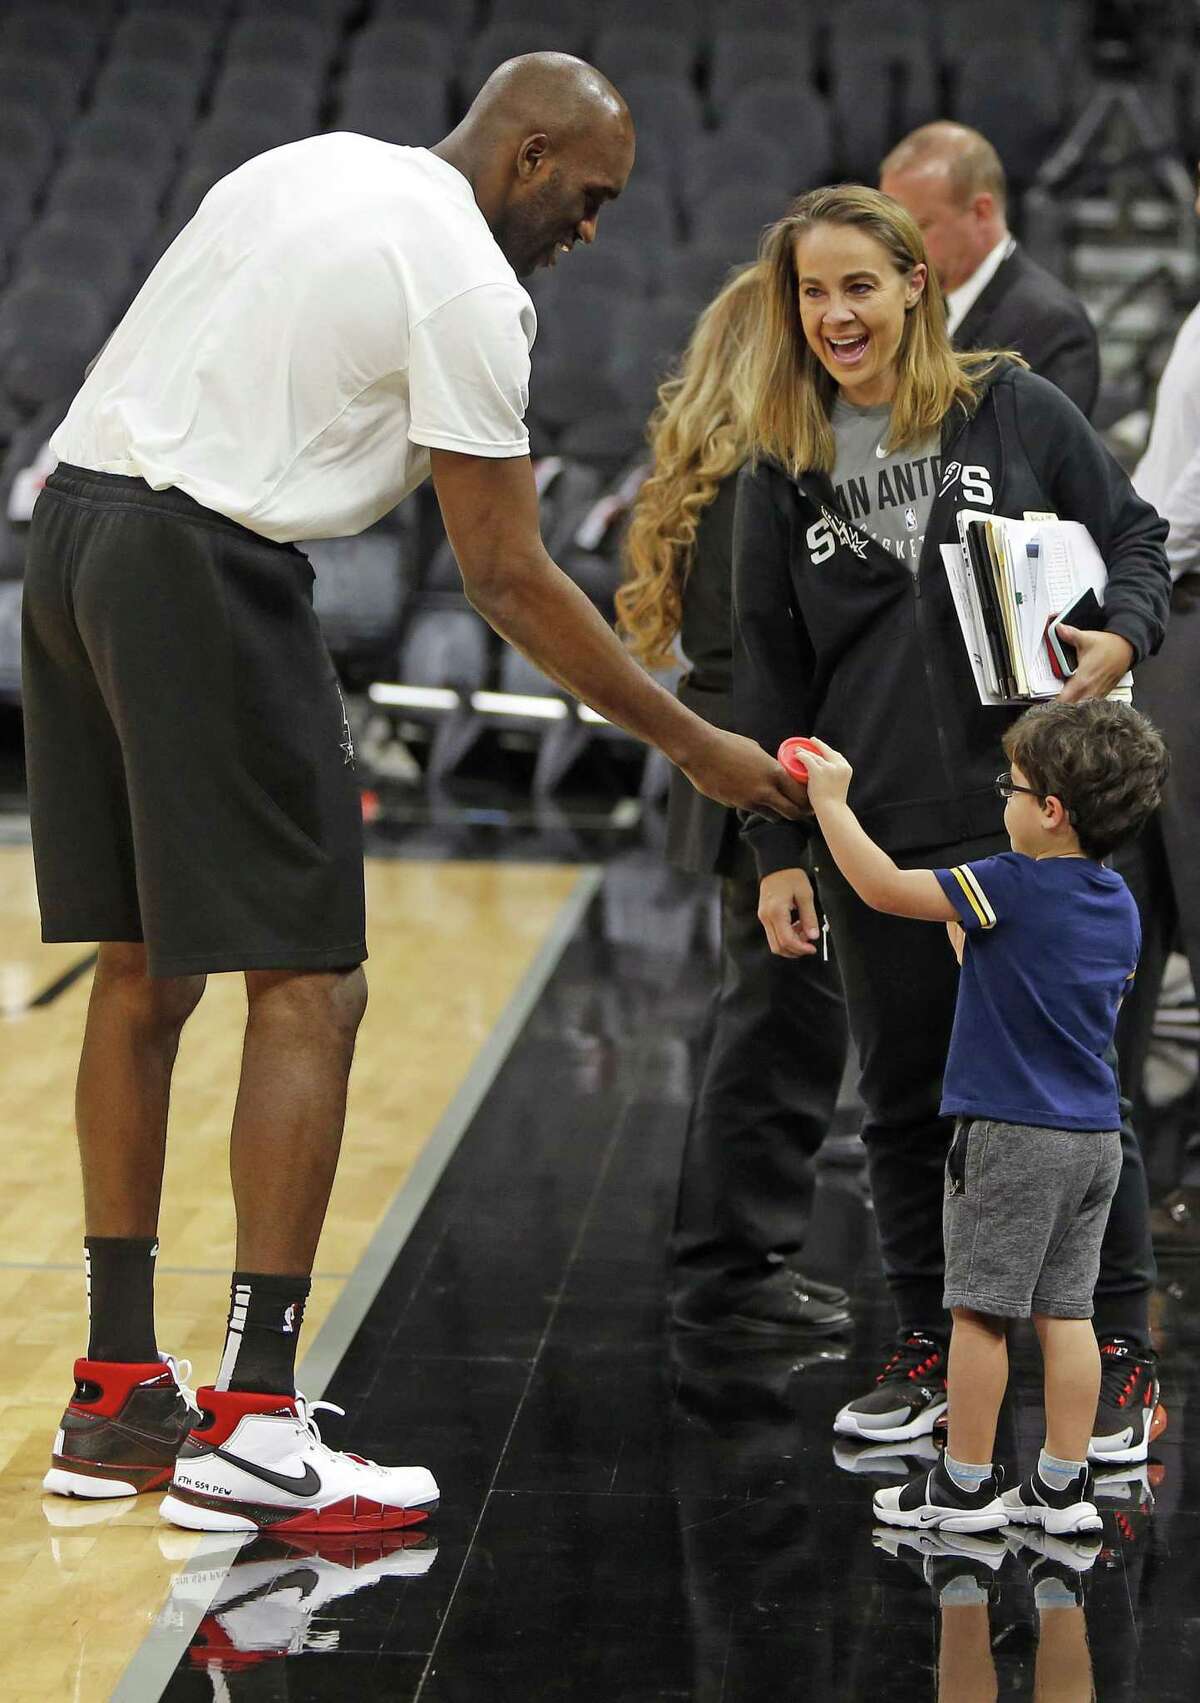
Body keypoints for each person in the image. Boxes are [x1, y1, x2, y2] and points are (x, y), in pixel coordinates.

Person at [24, 53, 805, 1533]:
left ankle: (118, 1391)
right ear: (525, 157)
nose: (592, 233)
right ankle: (256, 1417)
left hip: (70, 535)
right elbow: (505, 573)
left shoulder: (310, 161)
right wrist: (694, 741)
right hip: (206, 563)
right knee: (311, 984)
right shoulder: (466, 280)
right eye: (589, 199)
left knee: (138, 973)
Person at [731, 184, 1171, 1466]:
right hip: (888, 834)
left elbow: (1137, 536)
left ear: (915, 281)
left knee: (1082, 1100)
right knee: (912, 1100)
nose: (835, 315)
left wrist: (1123, 632)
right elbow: (766, 670)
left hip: (1043, 826)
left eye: (858, 285)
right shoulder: (782, 455)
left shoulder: (1013, 403)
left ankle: (1121, 1357)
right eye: (812, 291)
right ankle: (932, 1341)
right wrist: (776, 850)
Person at [795, 701, 1168, 1535]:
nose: (1003, 800)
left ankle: (963, 1485)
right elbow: (1044, 979)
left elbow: (883, 889)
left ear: (1051, 811)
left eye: (1014, 787)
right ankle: (1063, 1487)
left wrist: (830, 804)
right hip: (1094, 1141)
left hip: (1010, 1134)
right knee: (1069, 1315)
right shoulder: (1119, 905)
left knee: (977, 1314)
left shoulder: (1006, 881)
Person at [619, 265, 851, 1335]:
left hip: (728, 762)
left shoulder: (716, 467)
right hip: (755, 772)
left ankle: (730, 1255)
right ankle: (730, 1269)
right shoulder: (763, 474)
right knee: (774, 1036)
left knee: (757, 1025)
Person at [1112, 164, 1200, 1252]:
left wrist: (1112, 589)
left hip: (1183, 609)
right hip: (1172, 617)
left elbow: (1174, 514)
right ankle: (1124, 1168)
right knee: (1138, 918)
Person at [880, 122, 1100, 417]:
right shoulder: (903, 306)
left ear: (981, 212)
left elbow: (1042, 458)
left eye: (920, 226)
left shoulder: (1053, 326)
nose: (900, 250)